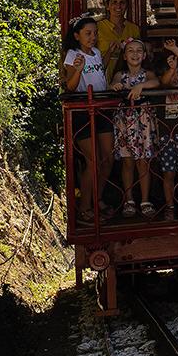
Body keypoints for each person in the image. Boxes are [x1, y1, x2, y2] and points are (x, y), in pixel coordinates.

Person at [62, 15, 113, 223]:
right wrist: (78, 70)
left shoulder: (97, 53)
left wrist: (111, 53)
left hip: (102, 109)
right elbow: (70, 85)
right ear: (77, 36)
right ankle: (84, 207)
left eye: (95, 33)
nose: (93, 37)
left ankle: (96, 198)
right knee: (92, 161)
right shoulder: (72, 55)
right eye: (88, 33)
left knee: (108, 158)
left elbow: (100, 72)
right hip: (84, 111)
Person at [110, 39, 159, 218]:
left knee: (143, 161)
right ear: (124, 55)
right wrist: (115, 86)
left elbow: (156, 83)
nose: (135, 53)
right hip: (125, 120)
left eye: (139, 50)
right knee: (127, 161)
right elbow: (112, 84)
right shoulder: (120, 74)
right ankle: (129, 200)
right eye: (131, 50)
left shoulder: (148, 74)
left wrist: (141, 86)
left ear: (144, 55)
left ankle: (145, 200)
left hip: (143, 120)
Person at [152, 40, 178, 220]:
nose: (176, 76)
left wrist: (174, 50)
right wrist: (171, 68)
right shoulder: (161, 89)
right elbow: (166, 80)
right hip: (165, 136)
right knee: (168, 173)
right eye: (171, 73)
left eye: (177, 72)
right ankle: (170, 205)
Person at [96, 0, 141, 82]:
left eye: (122, 2)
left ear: (127, 6)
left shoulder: (134, 29)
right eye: (114, 2)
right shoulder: (97, 28)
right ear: (107, 6)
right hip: (102, 76)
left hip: (128, 78)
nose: (118, 6)